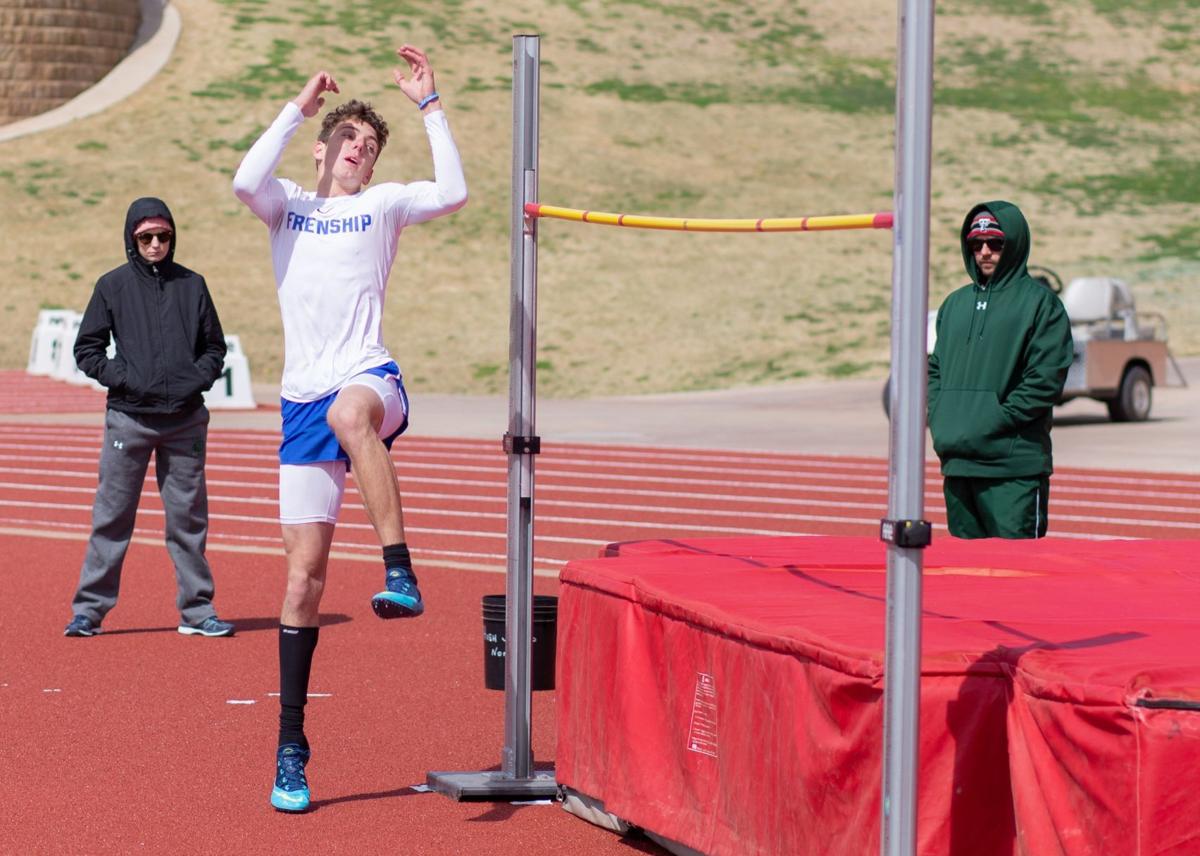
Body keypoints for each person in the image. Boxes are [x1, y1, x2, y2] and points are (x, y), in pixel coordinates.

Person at [231, 45, 467, 812]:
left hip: (370, 379)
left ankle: (400, 569)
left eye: (370, 145)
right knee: (301, 581)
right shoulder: (288, 204)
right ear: (327, 148)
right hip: (300, 404)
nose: (360, 152)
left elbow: (456, 192)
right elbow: (244, 180)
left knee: (350, 412)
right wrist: (297, 110)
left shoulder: (387, 202)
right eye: (351, 141)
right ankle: (291, 746)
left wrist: (429, 107)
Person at [65, 197, 234, 638]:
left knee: (188, 520)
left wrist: (193, 380)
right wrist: (125, 380)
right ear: (132, 239)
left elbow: (215, 348)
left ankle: (198, 612)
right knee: (112, 517)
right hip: (130, 420)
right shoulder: (112, 286)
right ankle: (89, 611)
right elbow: (87, 349)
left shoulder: (193, 285)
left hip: (185, 421)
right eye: (146, 237)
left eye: (163, 236)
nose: (156, 244)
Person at [927, 201, 1073, 539]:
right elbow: (936, 369)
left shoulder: (1041, 304)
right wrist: (941, 415)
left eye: (995, 243)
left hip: (1013, 470)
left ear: (1015, 244)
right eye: (976, 244)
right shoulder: (954, 304)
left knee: (1018, 580)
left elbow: (1044, 380)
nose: (985, 252)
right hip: (958, 464)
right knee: (969, 580)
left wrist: (993, 420)